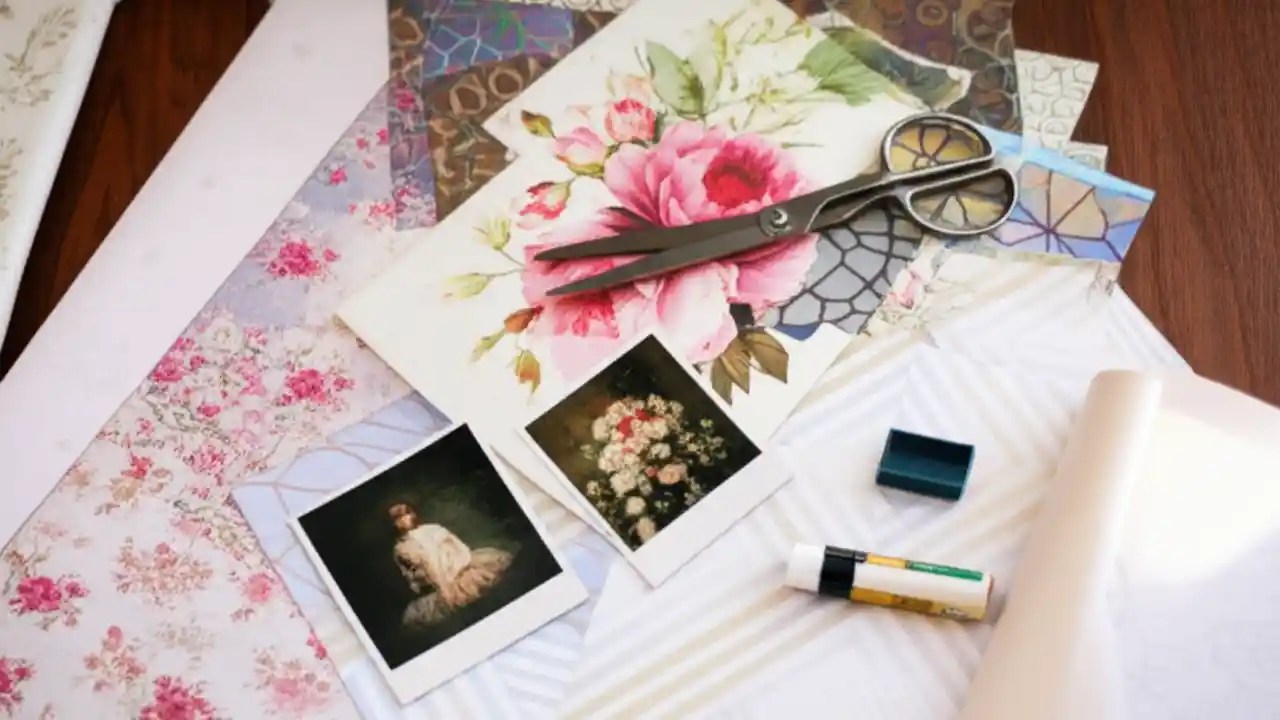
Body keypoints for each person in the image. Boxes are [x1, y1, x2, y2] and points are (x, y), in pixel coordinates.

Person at [388, 502, 513, 628]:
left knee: (480, 590)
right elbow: (408, 572)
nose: (404, 520)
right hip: (436, 584)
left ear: (414, 514)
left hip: (460, 571)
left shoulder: (433, 529)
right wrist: (418, 584)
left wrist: (461, 562)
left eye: (407, 514)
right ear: (394, 524)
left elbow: (458, 546)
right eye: (398, 519)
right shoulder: (400, 547)